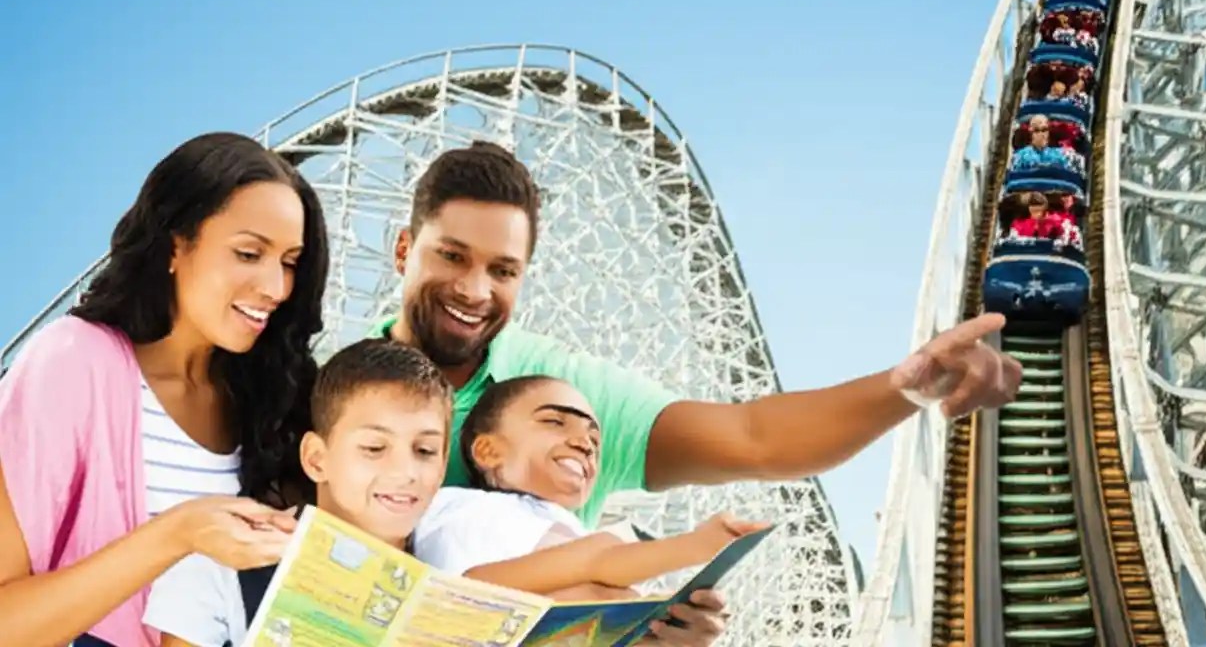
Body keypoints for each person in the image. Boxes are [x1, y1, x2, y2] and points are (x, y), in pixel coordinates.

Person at [369, 141, 1024, 636]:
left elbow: (756, 438)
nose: (476, 290)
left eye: (503, 270)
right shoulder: (328, 390)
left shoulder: (557, 398)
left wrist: (904, 389)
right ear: (404, 250)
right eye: (451, 257)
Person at [0, 133, 328, 647]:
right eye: (248, 253)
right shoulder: (75, 363)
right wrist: (179, 534)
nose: (276, 287)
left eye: (289, 262)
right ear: (176, 244)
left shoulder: (276, 401)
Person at [143, 338, 454, 647]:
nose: (405, 472)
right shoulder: (222, 566)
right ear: (316, 459)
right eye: (374, 448)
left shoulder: (455, 575)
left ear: (442, 466)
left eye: (425, 450)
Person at [414, 375, 771, 608]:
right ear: (488, 451)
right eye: (554, 421)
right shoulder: (459, 506)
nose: (584, 444)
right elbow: (470, 590)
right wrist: (697, 546)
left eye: (595, 441)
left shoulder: (572, 529)